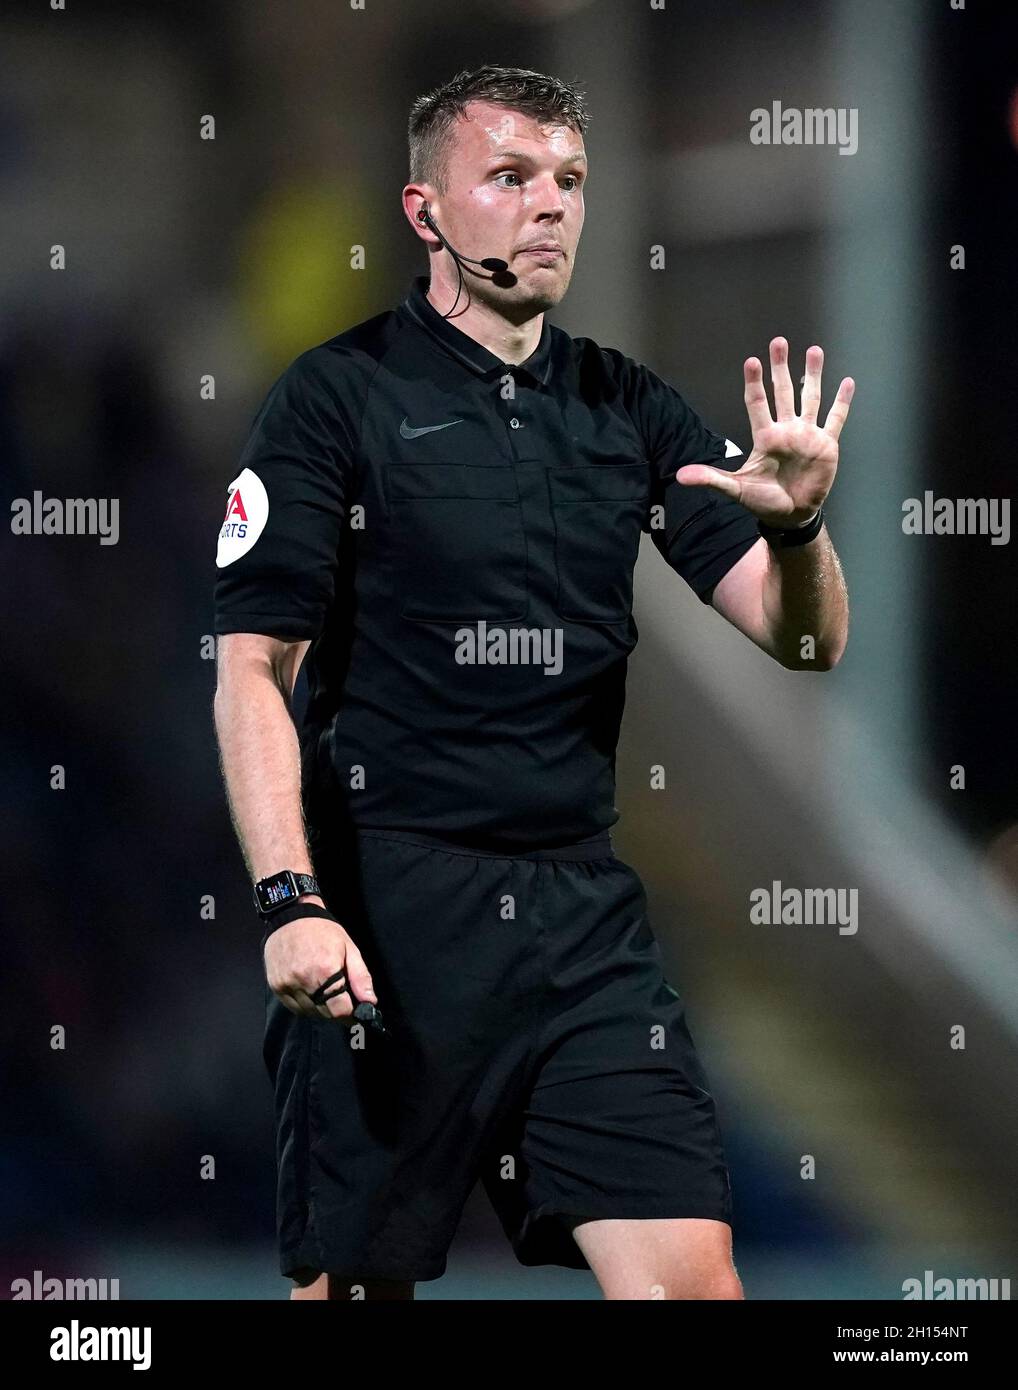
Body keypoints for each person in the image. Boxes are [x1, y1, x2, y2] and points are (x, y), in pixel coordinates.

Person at [212, 64, 852, 1302]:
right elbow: (252, 668)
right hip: (386, 909)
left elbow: (808, 641)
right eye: (509, 177)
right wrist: (288, 898)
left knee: (690, 1282)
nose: (550, 206)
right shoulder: (333, 401)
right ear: (424, 210)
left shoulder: (628, 407)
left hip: (580, 920)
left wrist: (797, 532)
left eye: (567, 181)